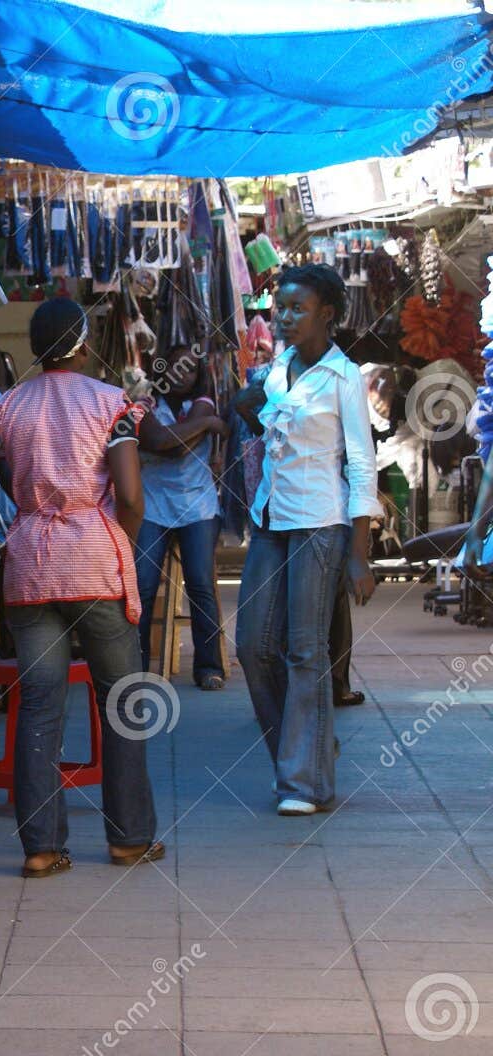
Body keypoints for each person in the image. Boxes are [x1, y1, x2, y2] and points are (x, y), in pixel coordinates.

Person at [0, 297, 164, 878]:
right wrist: (116, 541)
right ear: (83, 342)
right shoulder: (112, 405)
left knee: (40, 707)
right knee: (120, 702)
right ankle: (129, 839)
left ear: (37, 347)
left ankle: (42, 848)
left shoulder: (5, 407)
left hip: (31, 570)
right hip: (97, 566)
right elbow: (128, 495)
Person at [233, 265, 380, 816]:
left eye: (297, 309)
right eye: (280, 309)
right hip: (270, 520)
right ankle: (310, 750)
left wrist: (360, 556)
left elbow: (363, 465)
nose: (285, 318)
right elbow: (274, 431)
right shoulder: (278, 369)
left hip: (321, 523)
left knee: (304, 651)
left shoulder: (344, 378)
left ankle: (304, 782)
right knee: (252, 645)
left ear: (327, 315)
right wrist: (249, 409)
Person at [135, 345, 230, 688]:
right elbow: (167, 443)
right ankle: (139, 668)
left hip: (198, 507)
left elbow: (168, 444)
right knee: (142, 588)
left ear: (198, 375)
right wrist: (206, 425)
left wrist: (195, 423)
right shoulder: (147, 403)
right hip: (153, 504)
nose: (182, 375)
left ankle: (209, 668)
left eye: (189, 370)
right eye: (175, 367)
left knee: (201, 585)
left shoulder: (202, 403)